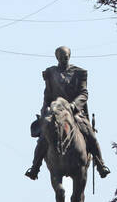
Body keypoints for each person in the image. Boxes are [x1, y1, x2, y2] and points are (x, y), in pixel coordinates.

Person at [25, 46, 111, 180]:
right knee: (43, 137)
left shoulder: (79, 72)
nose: (63, 59)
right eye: (60, 57)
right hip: (55, 112)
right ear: (56, 57)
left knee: (89, 134)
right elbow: (47, 95)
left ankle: (101, 164)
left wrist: (73, 106)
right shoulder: (50, 72)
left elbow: (84, 93)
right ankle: (35, 167)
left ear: (69, 56)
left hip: (74, 112)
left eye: (65, 57)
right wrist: (45, 110)